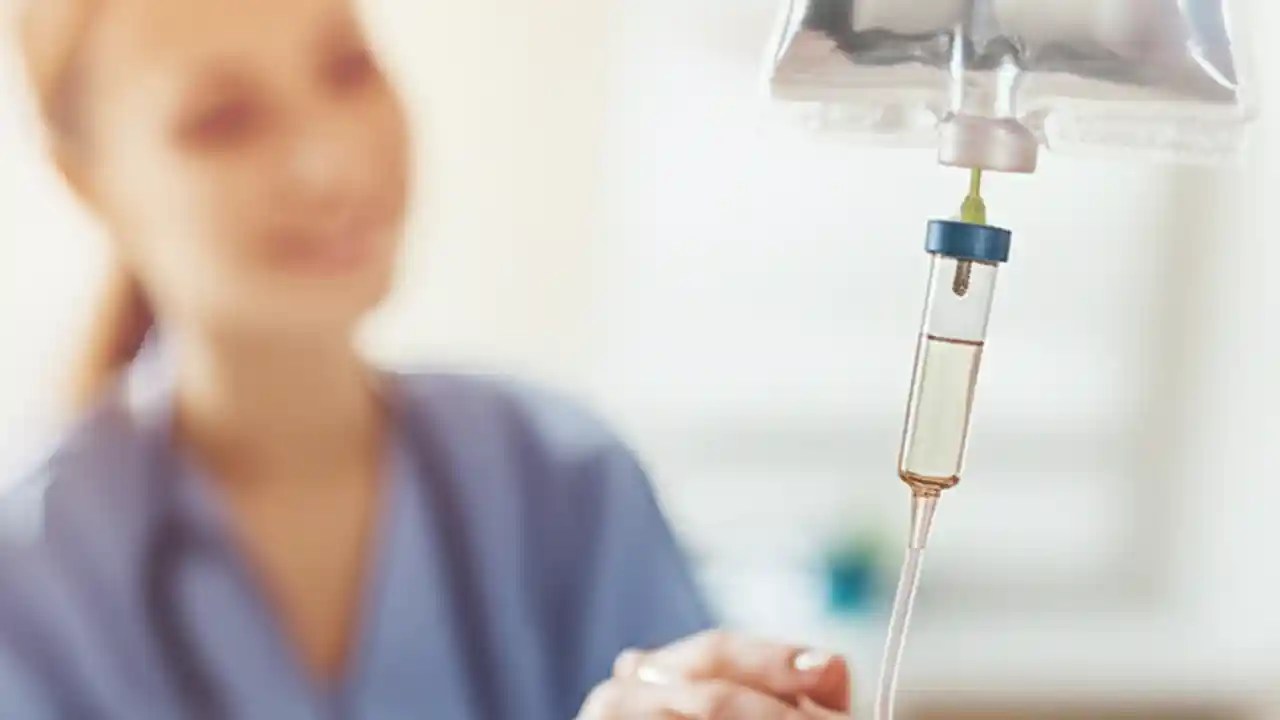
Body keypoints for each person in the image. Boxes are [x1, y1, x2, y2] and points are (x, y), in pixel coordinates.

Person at [0, 0, 855, 717]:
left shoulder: (563, 482)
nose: (324, 162)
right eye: (223, 119)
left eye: (344, 69)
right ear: (88, 180)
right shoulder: (33, 581)